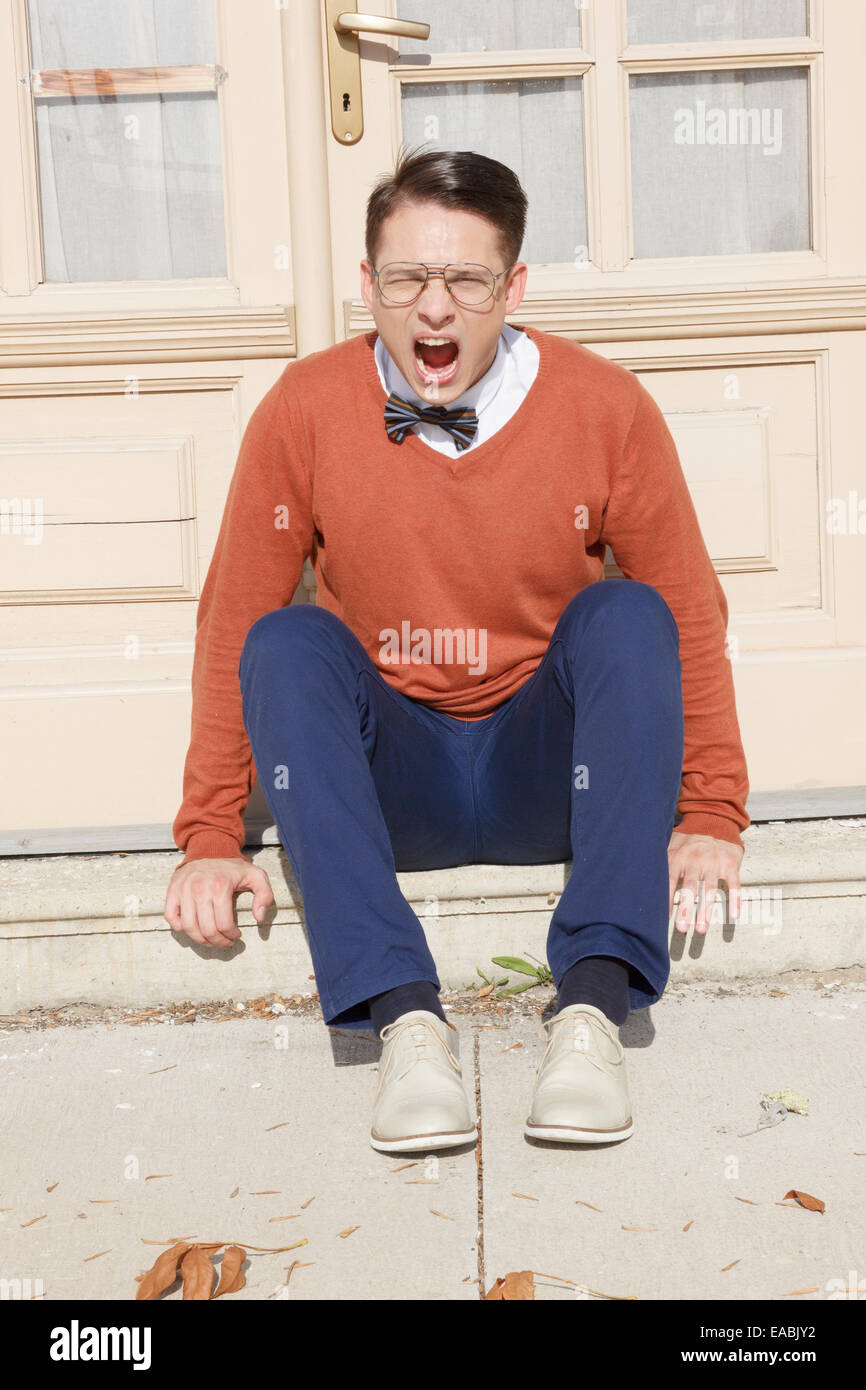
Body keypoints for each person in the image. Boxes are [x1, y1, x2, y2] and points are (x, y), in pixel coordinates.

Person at [164, 147, 749, 1154]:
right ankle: (404, 1018)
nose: (434, 308)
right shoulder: (302, 409)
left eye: (466, 279)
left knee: (629, 613)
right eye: (405, 279)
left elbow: (689, 611)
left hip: (543, 769)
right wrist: (212, 831)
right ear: (367, 286)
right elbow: (232, 618)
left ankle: (591, 1010)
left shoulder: (606, 406)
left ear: (511, 287)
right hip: (400, 781)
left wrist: (709, 810)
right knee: (284, 637)